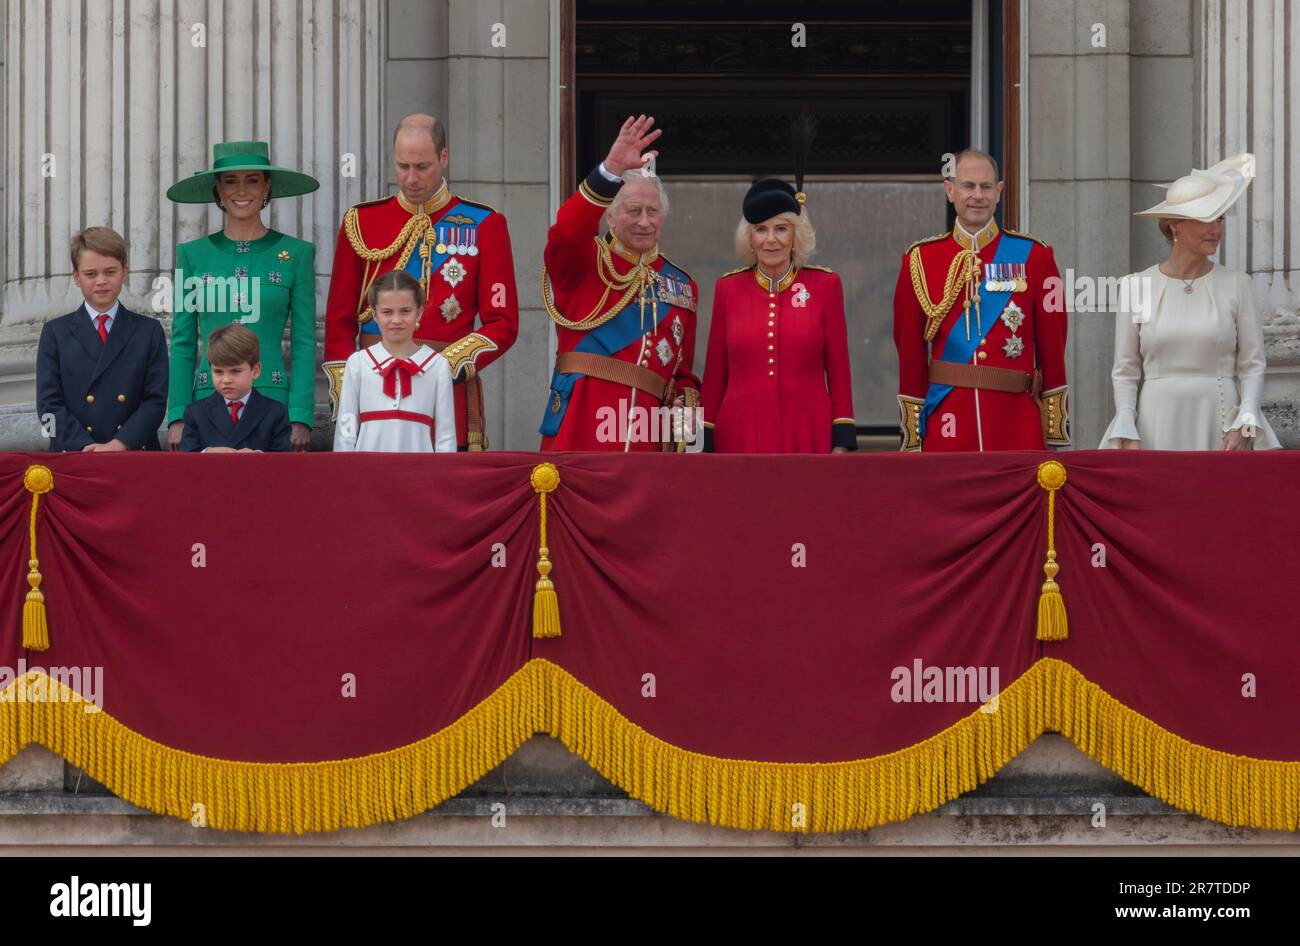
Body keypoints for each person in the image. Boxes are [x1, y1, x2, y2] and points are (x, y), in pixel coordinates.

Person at [322, 114, 518, 451]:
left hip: (449, 390)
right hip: (373, 391)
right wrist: (346, 393)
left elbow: (502, 323)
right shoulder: (362, 222)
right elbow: (339, 320)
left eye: (422, 166)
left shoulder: (484, 223)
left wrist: (443, 368)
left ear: (444, 158)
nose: (411, 179)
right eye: (402, 166)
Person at [540, 114, 701, 451]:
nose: (645, 221)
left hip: (646, 443)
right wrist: (610, 169)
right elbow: (567, 229)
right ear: (609, 216)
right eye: (633, 211)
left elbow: (683, 378)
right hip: (580, 432)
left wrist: (690, 440)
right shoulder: (584, 262)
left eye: (652, 211)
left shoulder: (682, 285)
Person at [1101, 154, 1281, 451]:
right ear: (1175, 226)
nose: (1216, 229)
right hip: (1156, 422)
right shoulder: (1135, 286)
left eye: (1220, 218)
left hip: (1221, 424)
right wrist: (1127, 425)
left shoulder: (1238, 284)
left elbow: (1252, 364)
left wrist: (1246, 421)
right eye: (1205, 218)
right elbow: (1125, 370)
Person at [892, 149, 1068, 451]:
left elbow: (1053, 345)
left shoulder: (1035, 256)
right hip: (948, 417)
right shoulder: (920, 259)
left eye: (986, 187)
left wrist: (1053, 431)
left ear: (998, 192)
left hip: (1016, 422)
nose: (978, 195)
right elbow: (909, 352)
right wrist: (914, 434)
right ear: (950, 190)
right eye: (968, 186)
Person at [165, 141, 319, 451]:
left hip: (274, 404)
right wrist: (178, 414)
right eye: (231, 181)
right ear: (218, 190)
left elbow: (304, 341)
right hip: (208, 404)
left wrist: (300, 414)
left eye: (252, 180)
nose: (241, 190)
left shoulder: (298, 254)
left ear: (267, 187)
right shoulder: (191, 255)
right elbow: (182, 341)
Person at [702, 178, 856, 453]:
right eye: (761, 229)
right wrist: (705, 440)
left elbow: (839, 372)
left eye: (781, 229)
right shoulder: (727, 289)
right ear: (749, 238)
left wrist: (842, 439)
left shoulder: (825, 285)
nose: (770, 239)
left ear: (796, 236)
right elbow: (714, 375)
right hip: (739, 433)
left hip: (808, 430)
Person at [36, 227, 168, 452]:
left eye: (110, 272)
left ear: (124, 272)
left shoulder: (149, 330)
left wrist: (121, 444)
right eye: (90, 274)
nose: (101, 281)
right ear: (76, 277)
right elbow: (48, 407)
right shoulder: (55, 333)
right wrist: (83, 446)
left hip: (134, 452)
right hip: (74, 454)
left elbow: (155, 402)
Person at [332, 270, 456, 453]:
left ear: (419, 313)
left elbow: (446, 437)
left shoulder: (437, 366)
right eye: (387, 312)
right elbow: (345, 431)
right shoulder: (358, 363)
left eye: (405, 311)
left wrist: (441, 479)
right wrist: (345, 475)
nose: (396, 320)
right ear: (374, 315)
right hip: (367, 474)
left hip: (419, 474)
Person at [180, 324, 292, 453]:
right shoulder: (195, 413)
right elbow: (186, 462)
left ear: (255, 370)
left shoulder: (275, 412)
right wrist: (206, 453)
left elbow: (283, 462)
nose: (226, 379)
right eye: (218, 371)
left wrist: (258, 457)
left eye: (235, 371)